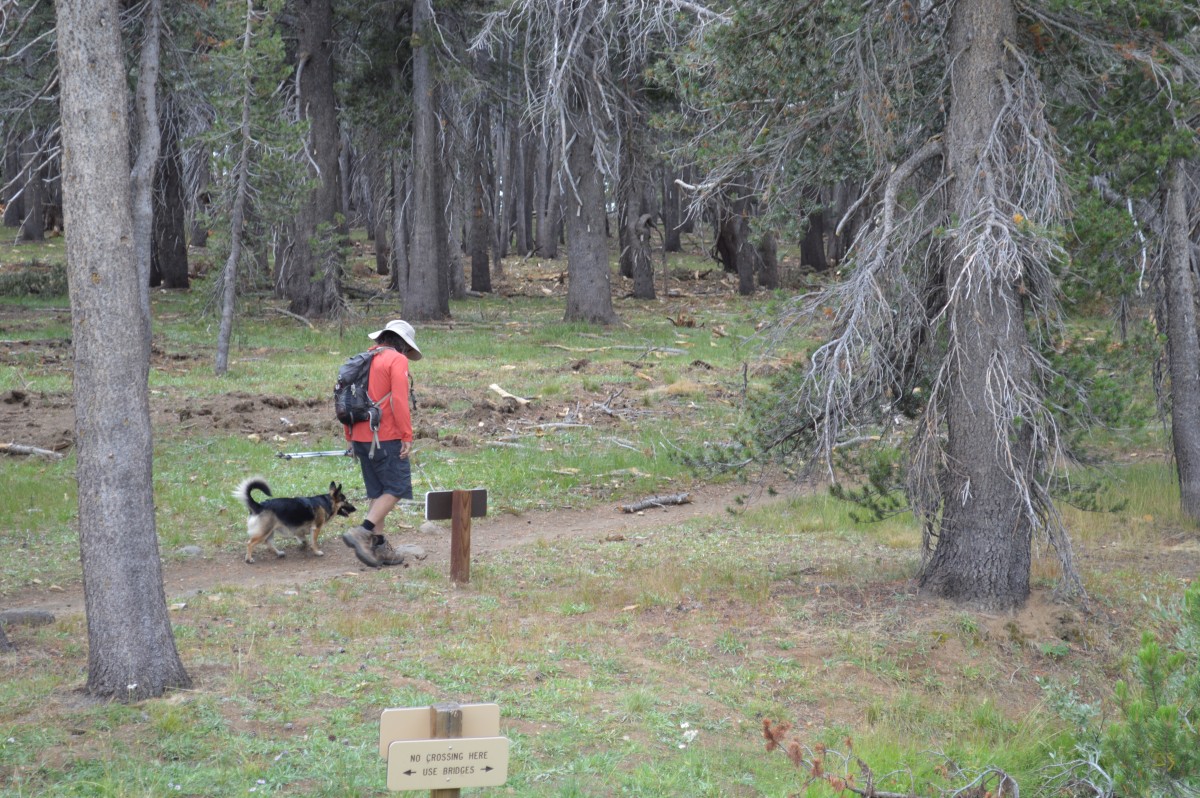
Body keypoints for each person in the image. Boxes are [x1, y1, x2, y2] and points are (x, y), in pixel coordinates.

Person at [341, 319, 422, 568]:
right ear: (404, 346)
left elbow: (344, 400)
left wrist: (349, 436)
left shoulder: (362, 359)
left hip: (360, 435)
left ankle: (379, 548)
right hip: (385, 436)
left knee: (377, 493)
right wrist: (406, 435)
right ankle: (363, 532)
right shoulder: (397, 360)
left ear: (381, 339)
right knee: (397, 488)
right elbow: (399, 401)